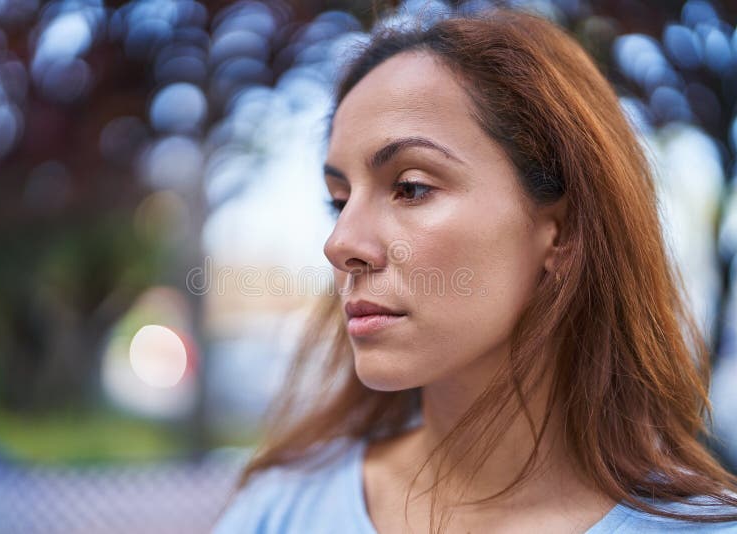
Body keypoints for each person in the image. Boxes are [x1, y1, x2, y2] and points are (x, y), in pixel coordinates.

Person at [211, 8, 737, 534]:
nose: (340, 243)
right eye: (339, 201)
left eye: (411, 187)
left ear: (562, 231)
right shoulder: (280, 510)